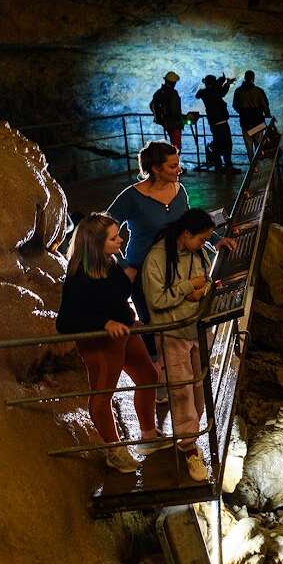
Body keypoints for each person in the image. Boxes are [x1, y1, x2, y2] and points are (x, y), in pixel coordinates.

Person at [106, 142, 235, 384]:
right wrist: (123, 265)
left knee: (176, 320)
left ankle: (182, 377)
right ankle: (155, 378)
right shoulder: (132, 197)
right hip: (142, 270)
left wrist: (214, 239)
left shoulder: (179, 190)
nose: (179, 169)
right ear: (155, 168)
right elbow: (101, 230)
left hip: (175, 268)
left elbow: (189, 225)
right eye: (173, 165)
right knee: (151, 324)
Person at [56, 213, 172, 473]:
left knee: (148, 375)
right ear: (96, 244)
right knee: (102, 394)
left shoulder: (110, 263)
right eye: (114, 237)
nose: (121, 240)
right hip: (100, 341)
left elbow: (119, 295)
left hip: (125, 332)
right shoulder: (78, 277)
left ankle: (148, 436)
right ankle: (115, 450)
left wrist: (127, 317)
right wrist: (103, 323)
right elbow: (65, 321)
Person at [141, 209, 216, 482]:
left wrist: (201, 291)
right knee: (181, 391)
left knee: (198, 386)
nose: (204, 244)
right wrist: (188, 288)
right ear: (186, 235)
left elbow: (205, 281)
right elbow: (157, 301)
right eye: (202, 239)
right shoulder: (157, 260)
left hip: (196, 329)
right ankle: (189, 448)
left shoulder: (198, 253)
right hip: (172, 333)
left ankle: (194, 434)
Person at [195, 74, 240, 174]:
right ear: (213, 83)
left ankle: (218, 165)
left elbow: (220, 92)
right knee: (227, 145)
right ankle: (227, 166)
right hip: (221, 124)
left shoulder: (206, 92)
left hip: (215, 123)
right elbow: (221, 92)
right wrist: (225, 83)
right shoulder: (211, 92)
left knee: (219, 144)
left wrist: (225, 83)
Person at [232, 70, 271, 159]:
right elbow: (265, 106)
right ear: (253, 78)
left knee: (249, 149)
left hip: (245, 123)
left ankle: (253, 169)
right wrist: (267, 114)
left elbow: (235, 106)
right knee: (259, 147)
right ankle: (260, 165)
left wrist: (242, 113)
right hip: (258, 123)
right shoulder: (259, 91)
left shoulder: (238, 91)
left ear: (245, 78)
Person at [150, 71, 185, 151]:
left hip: (164, 123)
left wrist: (162, 116)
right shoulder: (173, 93)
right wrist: (182, 119)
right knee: (177, 148)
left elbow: (151, 105)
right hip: (174, 124)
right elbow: (174, 111)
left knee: (171, 147)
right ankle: (175, 162)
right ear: (174, 82)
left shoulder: (158, 93)